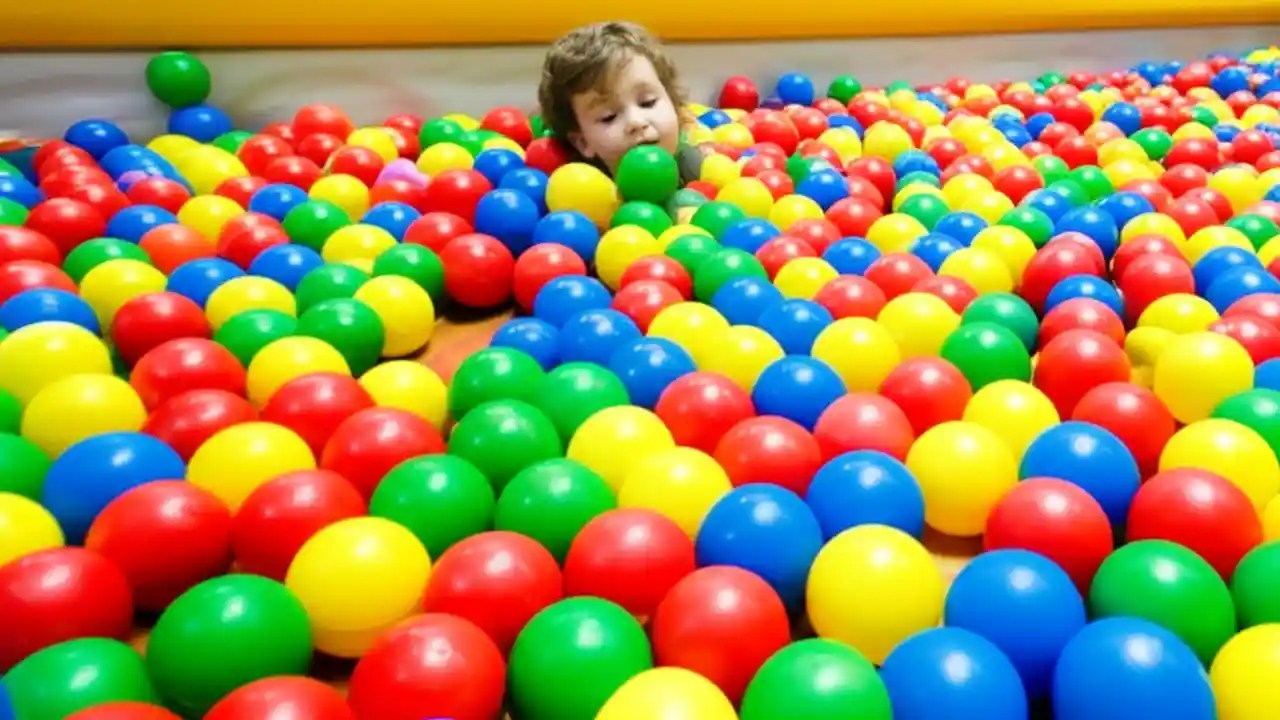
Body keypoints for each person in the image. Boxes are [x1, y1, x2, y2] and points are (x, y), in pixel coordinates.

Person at [538, 21, 707, 185]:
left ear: (673, 104)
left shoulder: (702, 170)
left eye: (648, 102)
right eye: (609, 117)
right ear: (583, 142)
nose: (636, 122)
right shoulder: (586, 201)